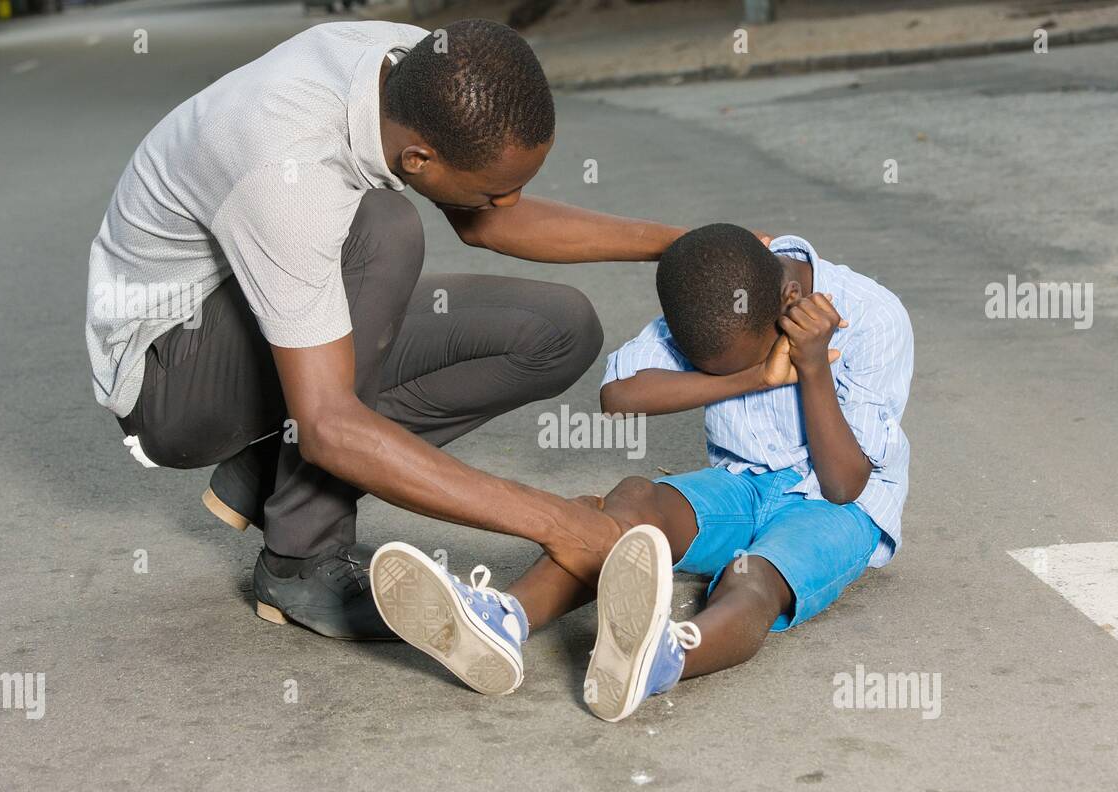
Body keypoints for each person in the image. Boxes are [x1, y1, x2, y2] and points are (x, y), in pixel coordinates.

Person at [86, 19, 720, 640]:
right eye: (498, 191)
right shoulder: (288, 170)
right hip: (169, 378)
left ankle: (270, 465)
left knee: (557, 329)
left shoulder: (414, 66)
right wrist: (556, 521)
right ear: (418, 156)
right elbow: (333, 427)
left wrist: (683, 244)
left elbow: (487, 221)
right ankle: (301, 558)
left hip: (268, 307)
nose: (507, 204)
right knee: (383, 229)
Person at [370, 224, 913, 721]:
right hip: (744, 484)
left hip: (839, 508)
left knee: (751, 579)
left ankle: (661, 657)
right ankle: (503, 621)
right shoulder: (711, 295)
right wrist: (755, 377)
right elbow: (620, 394)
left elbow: (846, 483)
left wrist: (812, 365)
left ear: (788, 301)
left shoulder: (872, 317)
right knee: (632, 501)